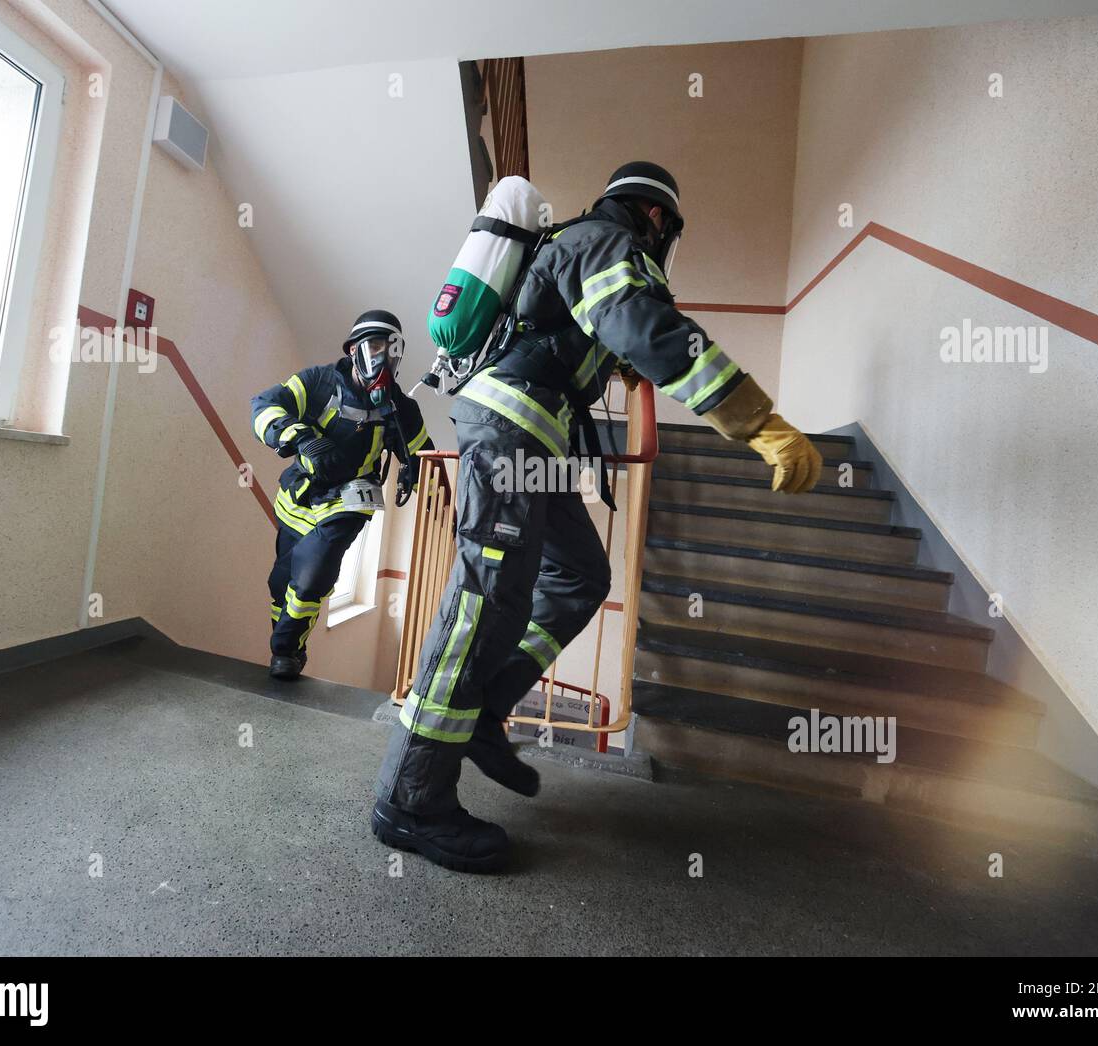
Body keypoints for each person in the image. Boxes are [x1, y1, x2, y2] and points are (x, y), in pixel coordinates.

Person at [372, 162, 824, 871]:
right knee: (485, 599)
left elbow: (588, 337)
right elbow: (651, 327)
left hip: (534, 435)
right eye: (667, 232)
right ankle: (410, 799)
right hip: (512, 427)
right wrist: (758, 422)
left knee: (581, 575)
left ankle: (488, 708)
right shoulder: (604, 241)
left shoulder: (580, 247)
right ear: (655, 218)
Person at [250, 309, 432, 680]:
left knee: (313, 574)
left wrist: (416, 476)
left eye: (391, 348)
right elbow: (263, 406)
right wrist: (302, 439)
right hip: (297, 499)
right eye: (376, 345)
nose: (384, 356)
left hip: (350, 500)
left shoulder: (401, 408)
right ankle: (293, 647)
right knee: (282, 584)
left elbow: (426, 455)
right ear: (354, 349)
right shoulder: (318, 382)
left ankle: (283, 651)